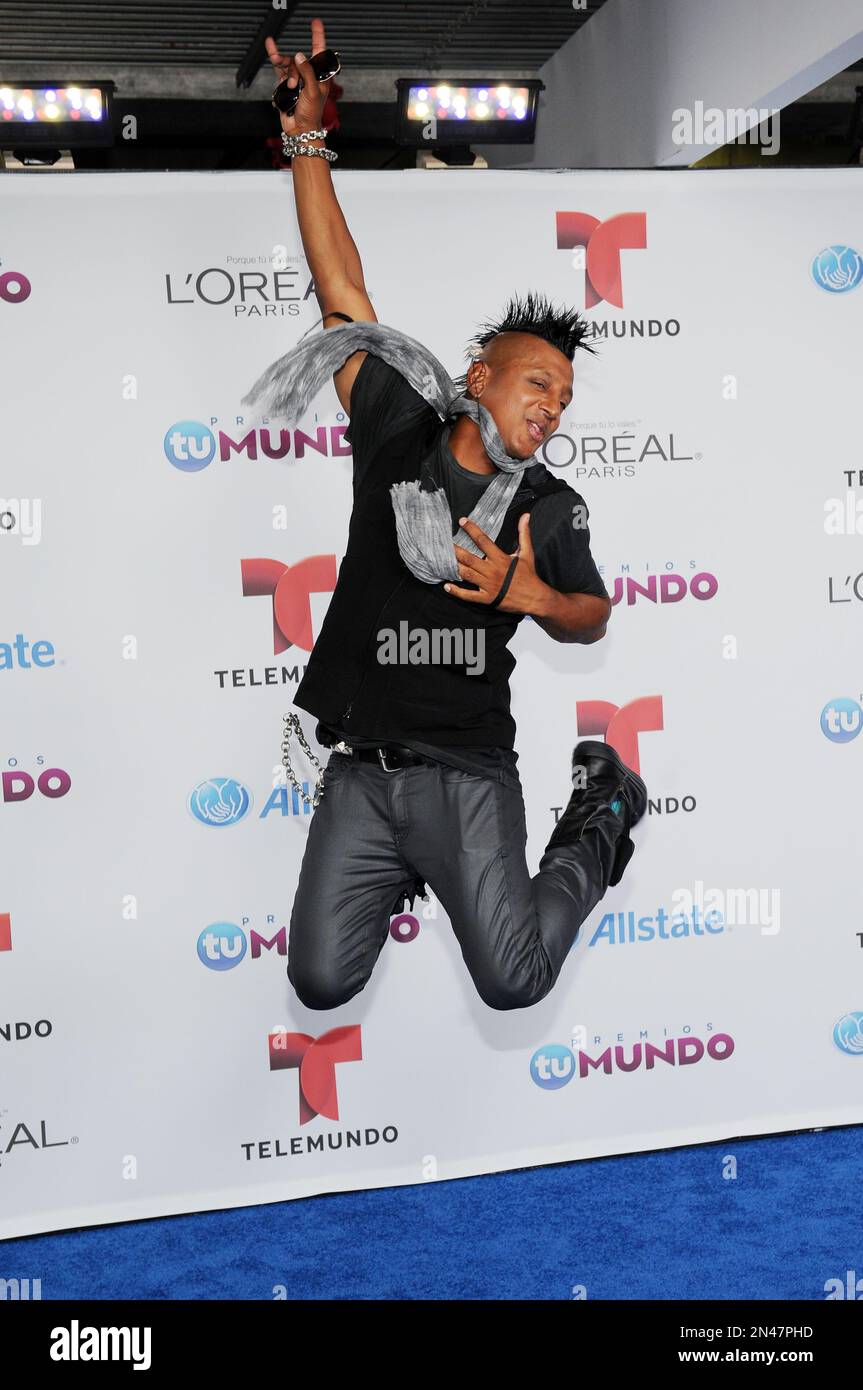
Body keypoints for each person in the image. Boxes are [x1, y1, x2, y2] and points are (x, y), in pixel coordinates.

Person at [262, 20, 647, 1012]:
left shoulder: (547, 505)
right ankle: (398, 869)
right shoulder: (397, 426)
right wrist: (308, 140)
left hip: (466, 775)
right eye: (533, 384)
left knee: (513, 981)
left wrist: (528, 590)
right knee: (317, 979)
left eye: (560, 398)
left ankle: (600, 812)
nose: (548, 406)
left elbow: (590, 614)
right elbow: (341, 290)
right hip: (359, 773)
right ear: (478, 378)